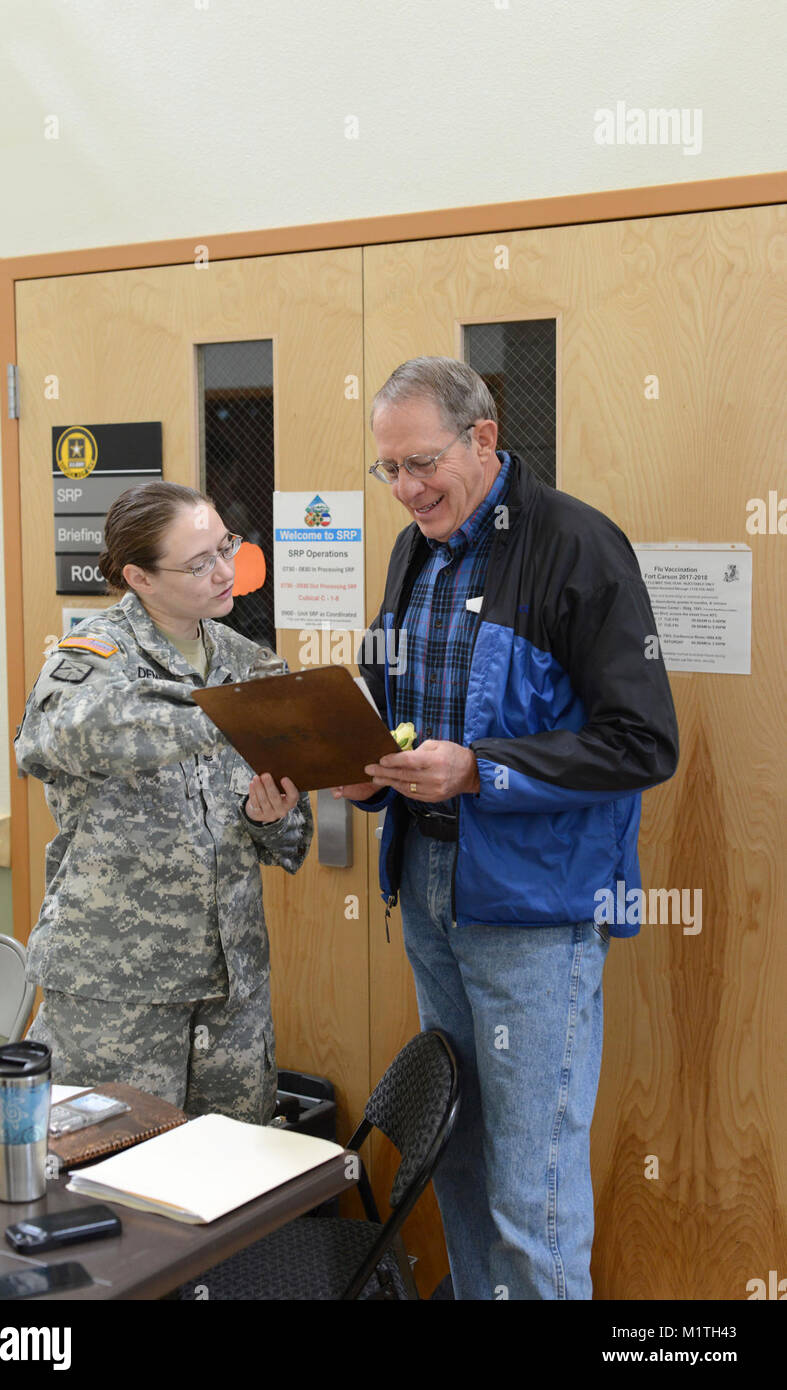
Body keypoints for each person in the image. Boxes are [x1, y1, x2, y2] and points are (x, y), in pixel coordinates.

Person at [334, 357, 678, 1299]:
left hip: (532, 909)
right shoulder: (414, 549)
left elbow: (643, 742)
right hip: (428, 889)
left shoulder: (577, 544)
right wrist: (358, 769)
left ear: (482, 438)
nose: (406, 489)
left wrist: (480, 769)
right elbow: (387, 700)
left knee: (533, 1190)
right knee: (455, 1155)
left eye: (422, 464)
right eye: (389, 469)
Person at [14, 480, 312, 1124]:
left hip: (230, 988)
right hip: (117, 990)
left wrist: (269, 817)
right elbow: (66, 735)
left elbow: (291, 837)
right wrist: (228, 717)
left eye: (226, 548)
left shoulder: (251, 665)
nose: (225, 572)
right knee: (111, 1165)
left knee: (232, 1171)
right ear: (139, 577)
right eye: (199, 563)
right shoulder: (93, 656)